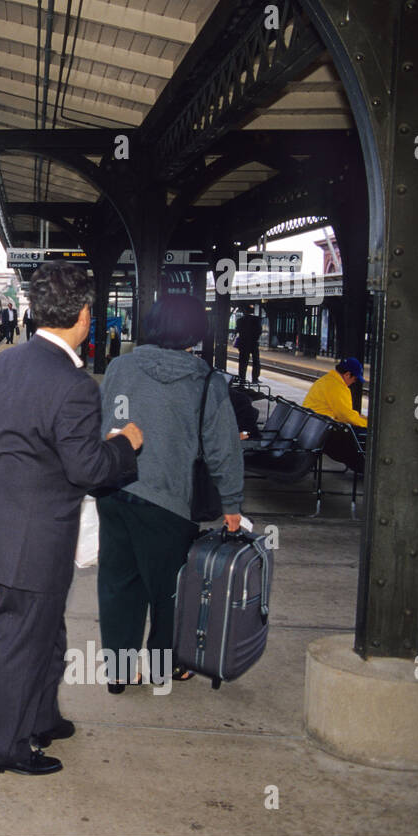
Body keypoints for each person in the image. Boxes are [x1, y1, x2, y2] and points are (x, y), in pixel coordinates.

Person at [0, 262, 143, 775]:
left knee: (44, 630)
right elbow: (87, 469)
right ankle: (5, 748)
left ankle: (42, 715)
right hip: (35, 536)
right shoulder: (75, 384)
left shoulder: (3, 363)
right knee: (21, 641)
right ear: (85, 315)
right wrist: (124, 446)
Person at [98, 294, 244, 690]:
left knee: (118, 585)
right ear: (197, 331)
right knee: (170, 591)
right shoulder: (207, 381)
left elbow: (102, 422)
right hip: (168, 503)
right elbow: (223, 449)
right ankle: (165, 667)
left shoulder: (120, 366)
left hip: (115, 491)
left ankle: (119, 672)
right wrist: (231, 503)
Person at [303, 358, 367, 473]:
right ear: (347, 375)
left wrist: (361, 418)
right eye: (355, 379)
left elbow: (342, 412)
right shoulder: (337, 386)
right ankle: (366, 470)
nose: (354, 382)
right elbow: (346, 416)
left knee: (355, 432)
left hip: (314, 427)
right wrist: (368, 424)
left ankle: (362, 467)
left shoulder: (327, 380)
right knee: (366, 435)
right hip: (324, 433)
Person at [235, 306, 262, 383]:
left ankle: (242, 379)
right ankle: (255, 379)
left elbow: (237, 330)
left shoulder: (240, 321)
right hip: (253, 343)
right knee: (256, 362)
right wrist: (255, 338)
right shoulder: (256, 320)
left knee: (243, 362)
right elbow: (259, 331)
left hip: (243, 344)